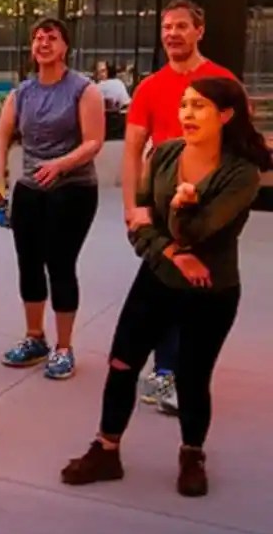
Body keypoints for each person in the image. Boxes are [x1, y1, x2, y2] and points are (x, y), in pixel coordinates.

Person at [61, 76, 270, 497]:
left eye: (199, 107)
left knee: (193, 378)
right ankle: (106, 449)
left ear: (225, 116)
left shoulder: (241, 174)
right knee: (122, 364)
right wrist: (175, 254)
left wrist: (178, 207)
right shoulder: (164, 154)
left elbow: (195, 231)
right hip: (157, 279)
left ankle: (192, 453)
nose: (187, 115)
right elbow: (138, 226)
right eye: (184, 105)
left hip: (211, 292)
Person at [119, 0, 237, 413]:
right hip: (160, 207)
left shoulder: (223, 81)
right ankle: (165, 372)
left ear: (199, 31)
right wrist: (132, 207)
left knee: (201, 292)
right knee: (164, 284)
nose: (172, 33)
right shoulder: (150, 87)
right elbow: (133, 149)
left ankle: (187, 375)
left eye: (181, 26)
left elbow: (239, 145)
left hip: (207, 208)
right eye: (167, 27)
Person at [0, 17, 106, 380]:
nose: (43, 43)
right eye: (37, 38)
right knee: (29, 264)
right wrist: (0, 190)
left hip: (73, 189)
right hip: (31, 189)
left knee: (60, 263)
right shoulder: (21, 93)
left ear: (65, 46)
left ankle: (64, 347)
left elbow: (93, 142)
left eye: (51, 37)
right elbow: (0, 140)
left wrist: (61, 164)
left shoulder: (84, 90)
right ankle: (34, 337)